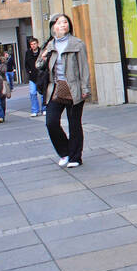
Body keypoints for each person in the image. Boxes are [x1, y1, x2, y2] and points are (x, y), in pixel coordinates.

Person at [41, 14, 91, 168]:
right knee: (51, 122)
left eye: (65, 22)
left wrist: (85, 88)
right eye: (59, 22)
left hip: (74, 88)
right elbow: (38, 66)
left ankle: (76, 157)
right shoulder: (50, 45)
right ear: (53, 27)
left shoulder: (77, 44)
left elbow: (84, 67)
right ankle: (65, 152)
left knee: (74, 124)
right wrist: (42, 57)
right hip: (55, 88)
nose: (63, 25)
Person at [23, 37, 44, 117]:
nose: (33, 46)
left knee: (42, 94)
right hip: (32, 76)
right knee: (32, 93)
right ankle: (35, 110)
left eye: (34, 44)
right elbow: (26, 64)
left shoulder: (41, 51)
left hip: (41, 75)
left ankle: (44, 109)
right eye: (31, 44)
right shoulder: (28, 53)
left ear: (37, 44)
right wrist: (29, 72)